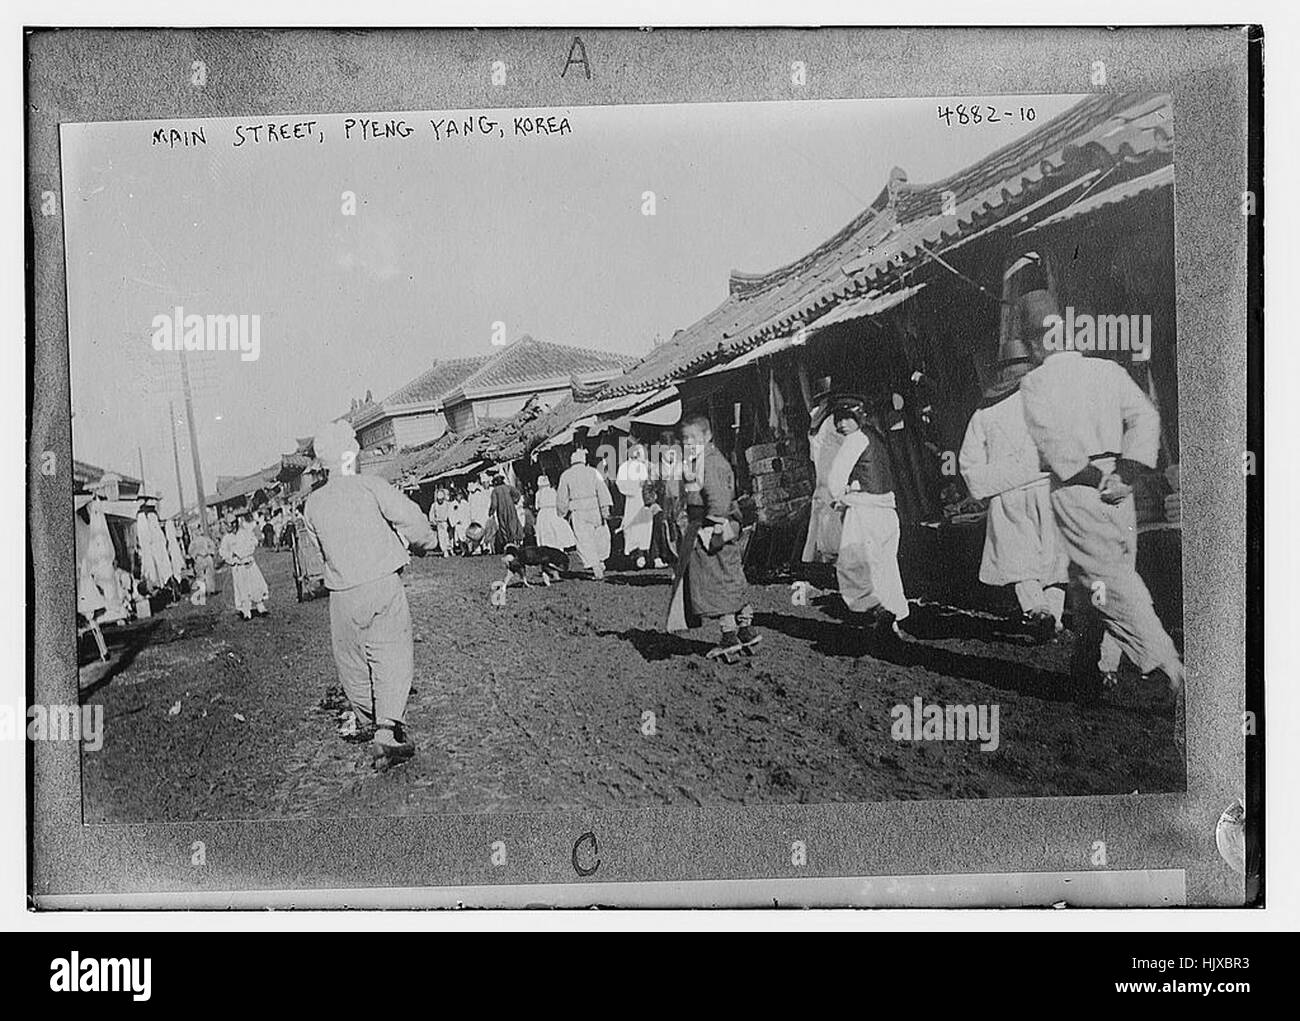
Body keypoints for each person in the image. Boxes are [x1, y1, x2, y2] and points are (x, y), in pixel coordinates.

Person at [1016, 289, 1184, 699]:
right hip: (1120, 488)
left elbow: (1054, 442)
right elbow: (1146, 417)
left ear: (1035, 344)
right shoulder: (1107, 371)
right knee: (1090, 578)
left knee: (1109, 579)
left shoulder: (1034, 382)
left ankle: (1170, 669)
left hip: (1079, 489)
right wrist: (1126, 473)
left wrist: (1096, 478)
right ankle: (1090, 665)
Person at [301, 420, 436, 764]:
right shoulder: (370, 486)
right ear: (349, 456)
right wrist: (425, 542)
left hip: (343, 595)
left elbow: (318, 552)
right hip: (381, 583)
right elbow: (412, 520)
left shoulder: (313, 505)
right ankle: (386, 729)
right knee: (391, 652)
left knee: (353, 663)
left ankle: (369, 718)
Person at [959, 331, 1068, 641]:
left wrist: (987, 484)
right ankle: (1055, 617)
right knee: (1055, 558)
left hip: (1008, 494)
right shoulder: (1047, 399)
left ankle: (1039, 611)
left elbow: (969, 463)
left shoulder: (983, 412)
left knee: (1018, 560)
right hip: (1050, 489)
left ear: (1000, 372)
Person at [664, 414, 759, 659]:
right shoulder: (702, 460)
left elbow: (718, 497)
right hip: (711, 526)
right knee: (729, 577)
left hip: (711, 528)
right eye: (684, 438)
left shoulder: (710, 462)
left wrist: (716, 526)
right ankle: (745, 629)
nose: (688, 443)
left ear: (707, 436)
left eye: (693, 438)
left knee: (716, 582)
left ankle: (729, 636)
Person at [826, 398, 910, 633]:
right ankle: (892, 622)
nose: (841, 424)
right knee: (885, 567)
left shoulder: (855, 440)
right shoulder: (877, 436)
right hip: (887, 510)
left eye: (846, 418)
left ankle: (878, 610)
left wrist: (840, 498)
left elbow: (834, 480)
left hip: (865, 511)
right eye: (838, 419)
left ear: (858, 417)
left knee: (853, 565)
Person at [556, 448, 612, 579]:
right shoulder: (593, 472)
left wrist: (562, 512)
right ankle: (601, 559)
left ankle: (595, 565)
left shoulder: (566, 475)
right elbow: (602, 490)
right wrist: (605, 507)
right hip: (595, 508)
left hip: (578, 511)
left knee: (584, 540)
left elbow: (562, 497)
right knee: (601, 535)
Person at [218, 514, 269, 620]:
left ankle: (260, 606)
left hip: (249, 563)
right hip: (238, 567)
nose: (231, 527)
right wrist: (231, 558)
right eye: (228, 525)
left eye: (233, 524)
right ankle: (246, 611)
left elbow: (253, 542)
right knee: (242, 589)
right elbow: (223, 552)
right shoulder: (227, 538)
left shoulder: (245, 533)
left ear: (236, 523)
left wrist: (245, 553)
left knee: (255, 585)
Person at [615, 442, 654, 568]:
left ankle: (634, 553)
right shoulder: (641, 467)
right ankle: (641, 553)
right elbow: (645, 482)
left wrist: (628, 491)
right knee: (644, 526)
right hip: (641, 498)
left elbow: (619, 484)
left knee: (631, 525)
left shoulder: (624, 467)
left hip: (631, 500)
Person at [533, 474, 576, 550]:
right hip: (553, 511)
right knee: (556, 530)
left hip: (543, 514)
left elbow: (536, 506)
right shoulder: (553, 491)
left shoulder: (538, 494)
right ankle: (560, 546)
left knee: (545, 532)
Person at [489, 472, 523, 551]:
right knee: (513, 524)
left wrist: (491, 511)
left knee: (504, 526)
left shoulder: (495, 491)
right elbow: (518, 494)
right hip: (511, 509)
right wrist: (514, 501)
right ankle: (515, 542)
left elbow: (494, 503)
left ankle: (508, 543)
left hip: (501, 511)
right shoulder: (508, 487)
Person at [188, 527, 217, 598]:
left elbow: (213, 546)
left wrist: (210, 552)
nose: (198, 532)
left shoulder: (206, 539)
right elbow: (190, 551)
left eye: (199, 530)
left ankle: (210, 590)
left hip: (207, 557)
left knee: (209, 574)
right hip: (200, 558)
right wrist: (195, 556)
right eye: (196, 531)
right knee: (200, 575)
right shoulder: (194, 541)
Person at [467, 480, 492, 555]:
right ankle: (478, 549)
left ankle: (486, 548)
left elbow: (486, 504)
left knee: (483, 532)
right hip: (476, 516)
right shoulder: (472, 495)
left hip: (482, 515)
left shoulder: (483, 493)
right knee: (476, 532)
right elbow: (470, 506)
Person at [429, 488, 453, 557]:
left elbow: (450, 513)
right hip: (439, 523)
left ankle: (450, 549)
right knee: (442, 537)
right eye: (439, 499)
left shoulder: (447, 504)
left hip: (446, 522)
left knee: (448, 537)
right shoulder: (434, 505)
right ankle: (445, 551)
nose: (440, 501)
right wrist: (433, 521)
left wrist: (450, 522)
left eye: (441, 499)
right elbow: (431, 514)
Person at [447, 488, 469, 554]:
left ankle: (467, 549)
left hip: (465, 522)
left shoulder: (465, 503)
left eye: (460, 495)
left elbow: (468, 512)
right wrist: (454, 522)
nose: (459, 497)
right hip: (458, 523)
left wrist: (468, 521)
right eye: (457, 495)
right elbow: (450, 514)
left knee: (466, 537)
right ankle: (463, 550)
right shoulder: (452, 504)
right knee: (459, 538)